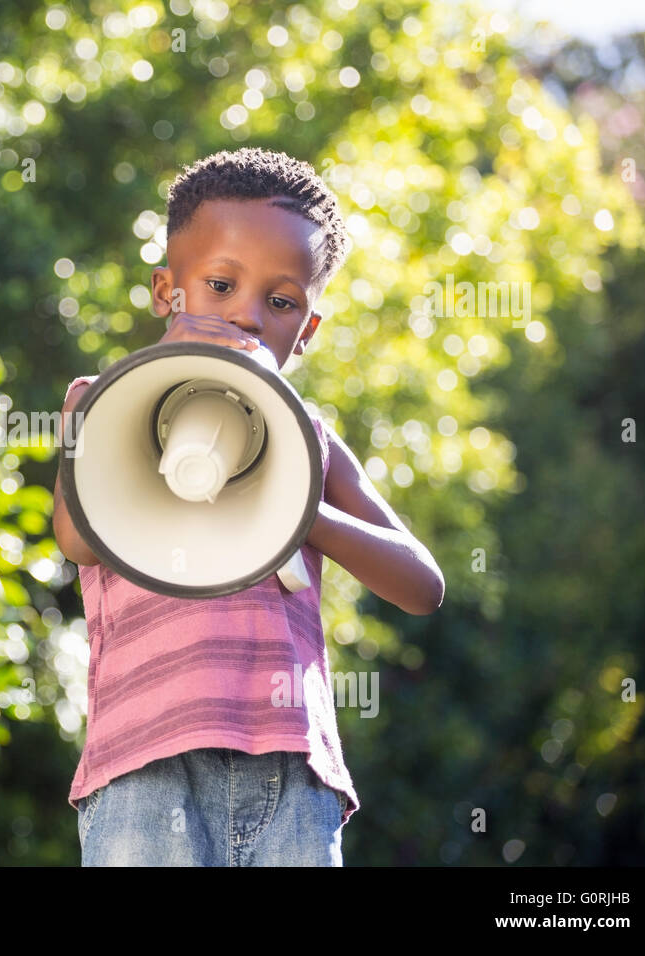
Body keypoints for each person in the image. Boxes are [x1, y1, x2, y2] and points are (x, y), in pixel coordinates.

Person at [52, 146, 445, 866]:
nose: (249, 315)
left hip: (293, 771)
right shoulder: (99, 402)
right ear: (167, 292)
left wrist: (305, 515)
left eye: (282, 301)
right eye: (221, 284)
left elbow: (422, 585)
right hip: (144, 766)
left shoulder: (313, 445)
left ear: (307, 333)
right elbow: (77, 539)